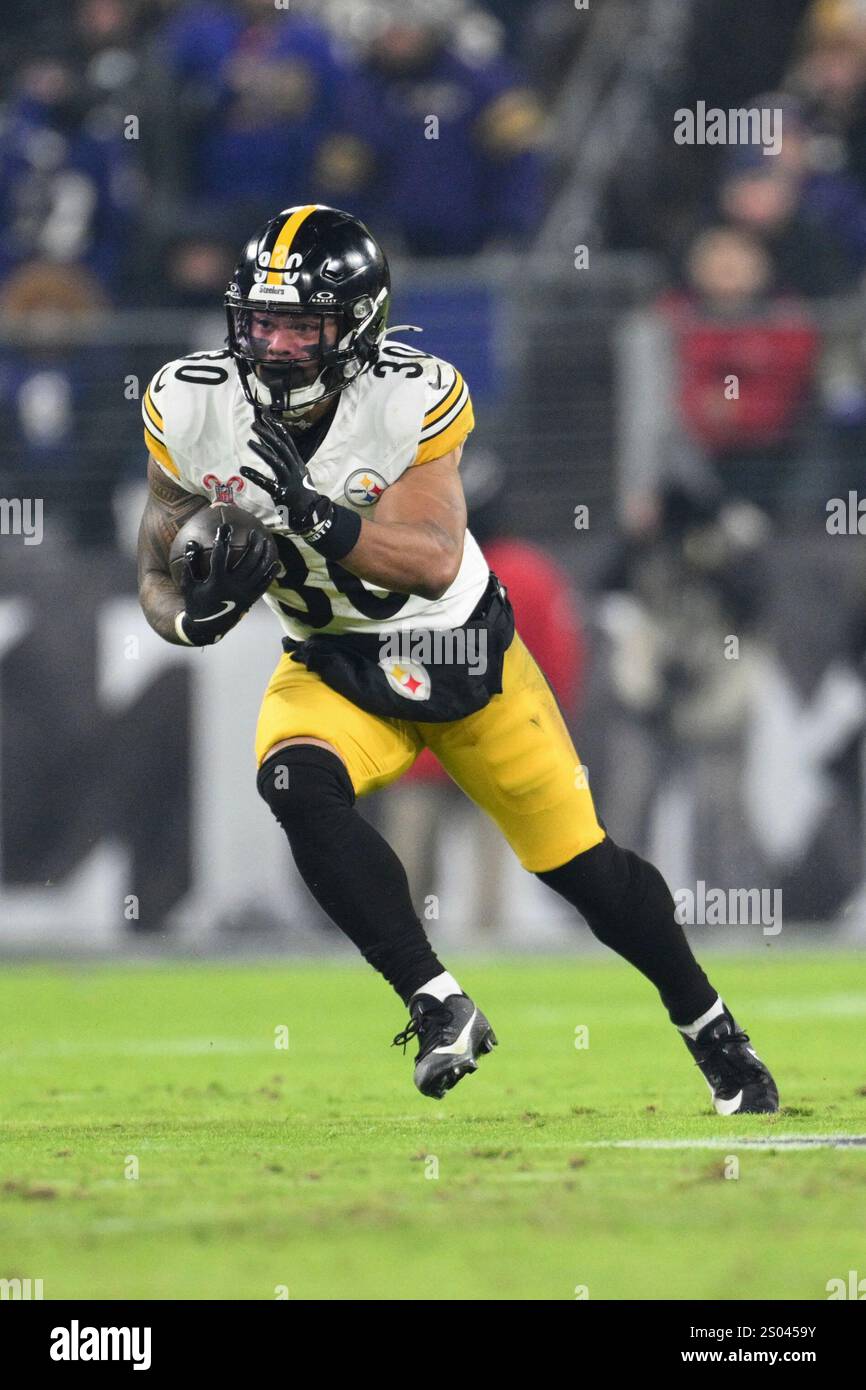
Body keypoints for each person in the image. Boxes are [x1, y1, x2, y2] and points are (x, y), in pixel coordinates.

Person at [136, 202, 779, 1114]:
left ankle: (710, 1026)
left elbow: (432, 553)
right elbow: (159, 560)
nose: (275, 345)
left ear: (357, 328)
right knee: (293, 785)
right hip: (333, 660)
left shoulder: (411, 391)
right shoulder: (192, 401)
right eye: (260, 320)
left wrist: (309, 512)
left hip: (460, 651)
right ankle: (438, 1003)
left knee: (584, 870)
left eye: (301, 324)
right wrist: (186, 622)